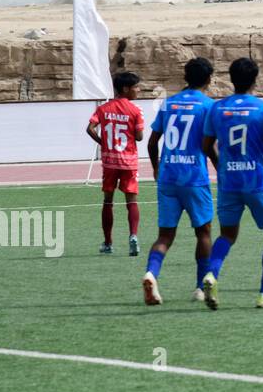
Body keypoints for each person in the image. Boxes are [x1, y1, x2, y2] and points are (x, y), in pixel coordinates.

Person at [200, 57, 263, 309]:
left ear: (231, 79)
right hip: (257, 182)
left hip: (229, 183)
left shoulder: (216, 108)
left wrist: (221, 164)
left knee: (227, 234)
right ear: (256, 79)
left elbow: (206, 145)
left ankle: (211, 274)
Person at [141, 58, 216, 305]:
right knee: (203, 232)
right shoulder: (207, 106)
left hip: (168, 177)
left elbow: (152, 143)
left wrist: (156, 169)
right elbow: (209, 146)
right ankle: (199, 287)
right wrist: (221, 171)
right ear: (208, 79)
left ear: (185, 77)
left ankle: (151, 273)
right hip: (194, 178)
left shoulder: (168, 104)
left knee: (165, 236)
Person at [86, 71, 145, 256]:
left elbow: (89, 128)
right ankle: (133, 236)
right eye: (135, 87)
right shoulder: (135, 110)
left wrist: (103, 142)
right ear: (126, 89)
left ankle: (108, 242)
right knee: (132, 201)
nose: (138, 90)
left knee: (108, 201)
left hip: (110, 162)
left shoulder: (103, 108)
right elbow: (139, 136)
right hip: (129, 162)